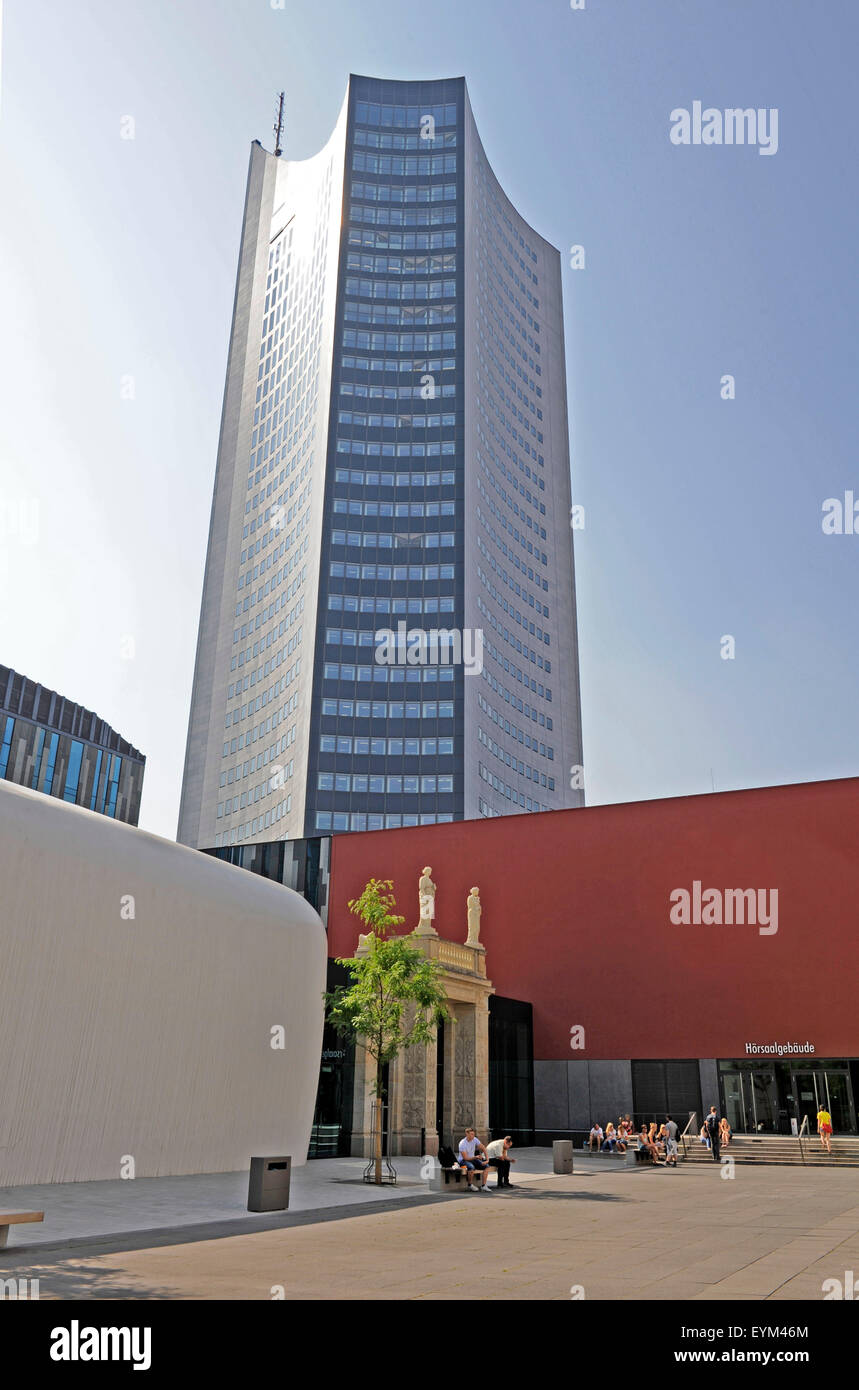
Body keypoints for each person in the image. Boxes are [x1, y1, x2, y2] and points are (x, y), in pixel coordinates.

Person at [457, 1127, 492, 1191]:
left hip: (472, 1158)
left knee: (487, 1166)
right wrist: (475, 1157)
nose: (473, 1136)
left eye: (473, 1134)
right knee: (471, 1167)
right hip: (463, 1160)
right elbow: (465, 1158)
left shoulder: (475, 1139)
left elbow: (483, 1148)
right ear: (466, 1134)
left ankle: (484, 1186)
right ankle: (470, 1185)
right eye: (471, 1134)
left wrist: (487, 1160)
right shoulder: (462, 1143)